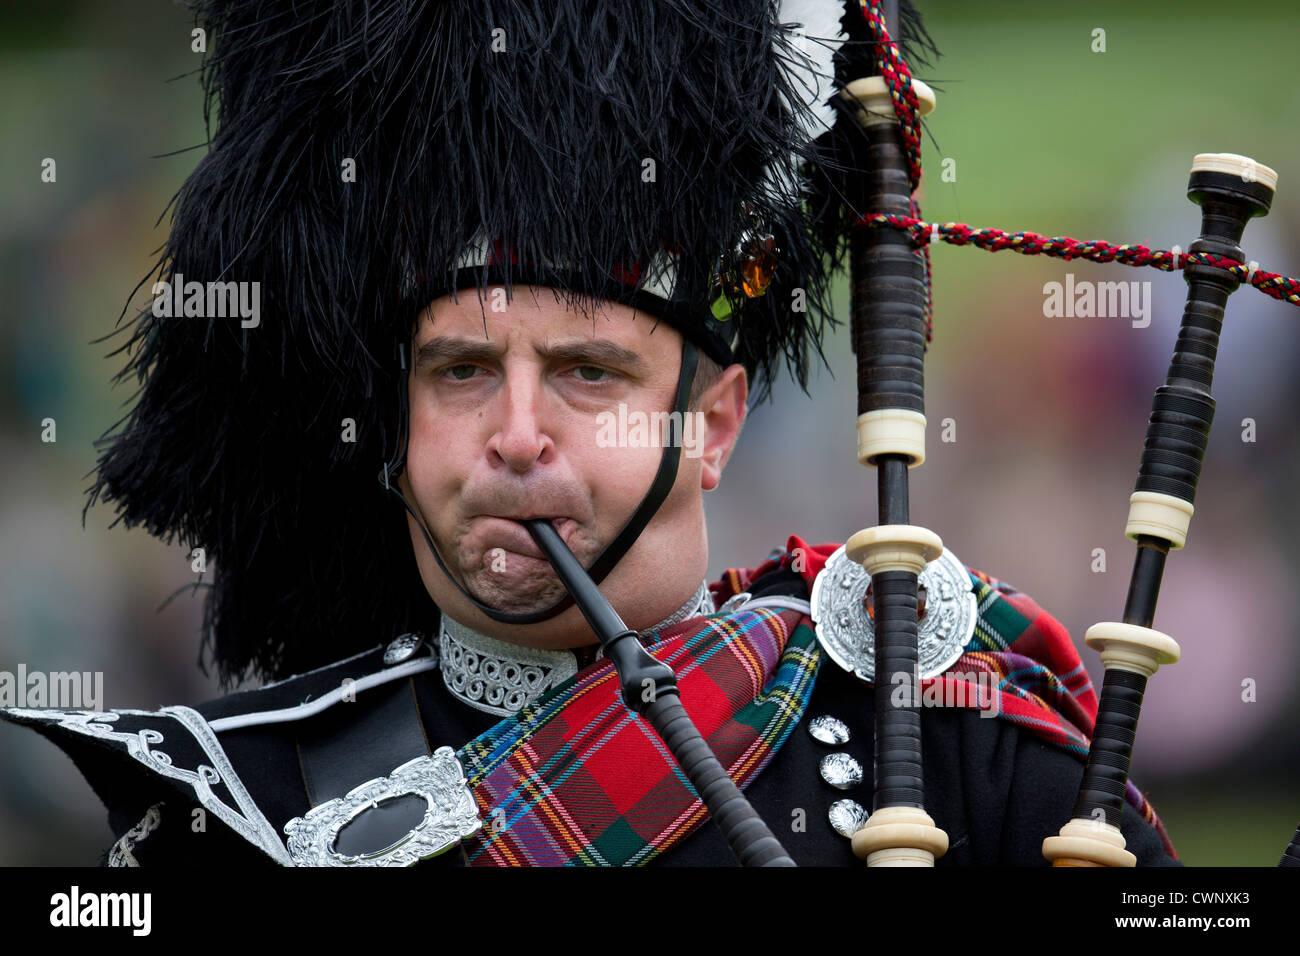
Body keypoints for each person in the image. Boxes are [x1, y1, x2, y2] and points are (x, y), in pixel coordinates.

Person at [0, 0, 1179, 867]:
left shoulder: (947, 734)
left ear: (713, 423)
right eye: (461, 371)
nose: (516, 434)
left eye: (585, 370)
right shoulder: (229, 805)